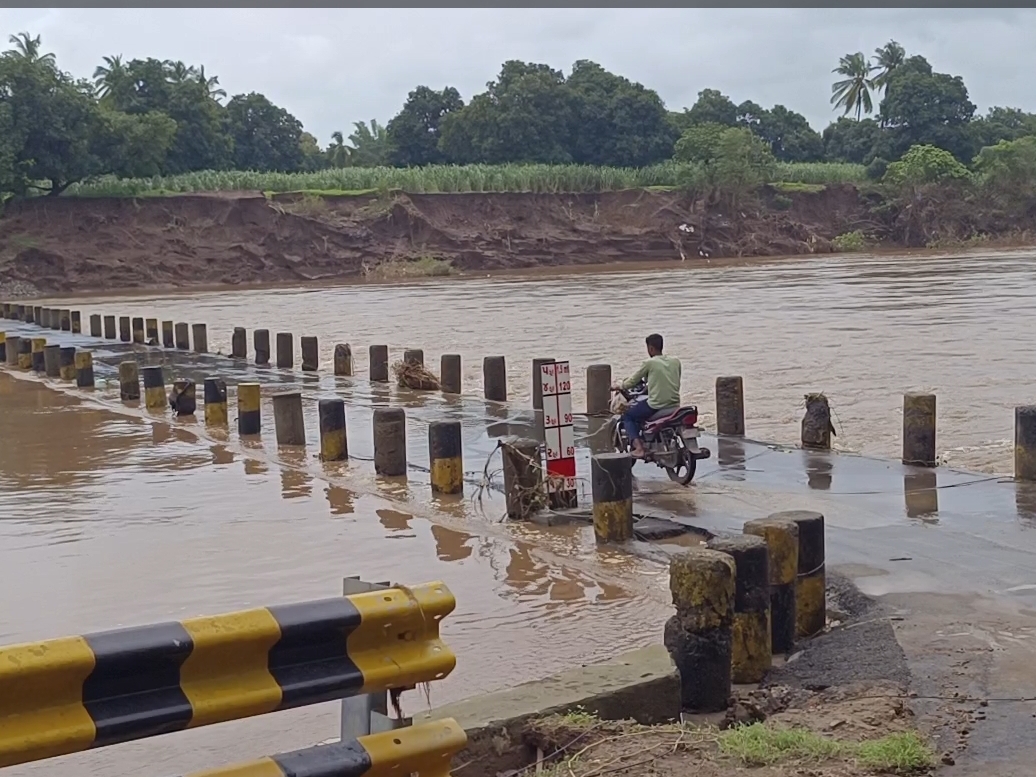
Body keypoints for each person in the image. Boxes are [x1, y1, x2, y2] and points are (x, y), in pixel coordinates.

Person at [611, 333, 682, 458]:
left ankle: (639, 448)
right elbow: (672, 380)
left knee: (628, 415)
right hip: (674, 403)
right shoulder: (675, 361)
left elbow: (632, 381)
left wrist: (619, 386)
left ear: (650, 348)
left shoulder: (649, 363)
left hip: (657, 404)